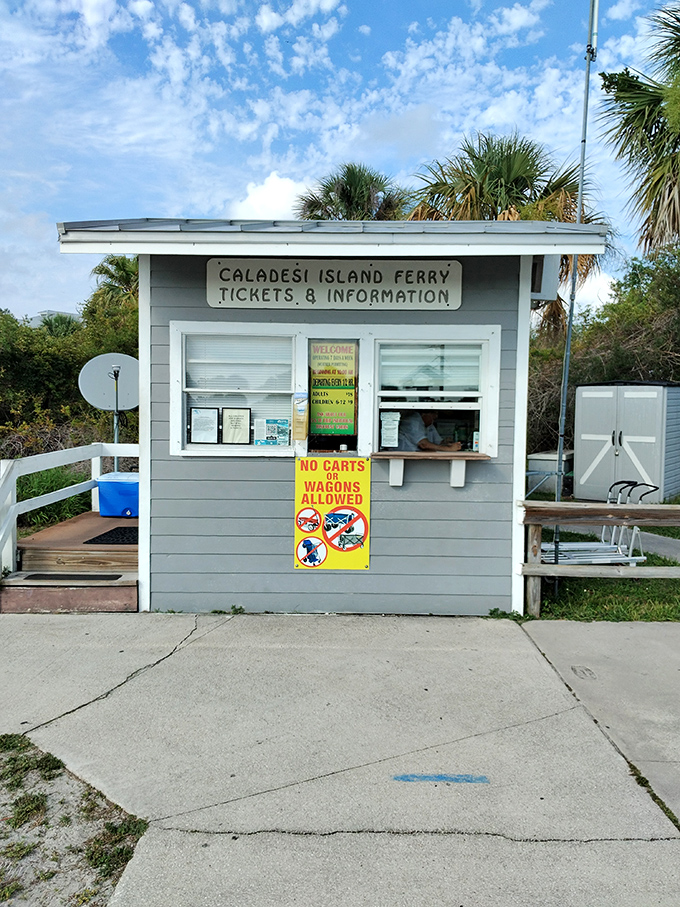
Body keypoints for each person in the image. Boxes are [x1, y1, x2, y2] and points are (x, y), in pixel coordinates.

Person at [396, 411, 462, 452]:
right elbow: (424, 444)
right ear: (425, 414)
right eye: (434, 414)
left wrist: (447, 443)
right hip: (404, 455)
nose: (436, 416)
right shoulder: (413, 422)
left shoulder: (429, 424)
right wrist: (449, 449)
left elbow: (438, 443)